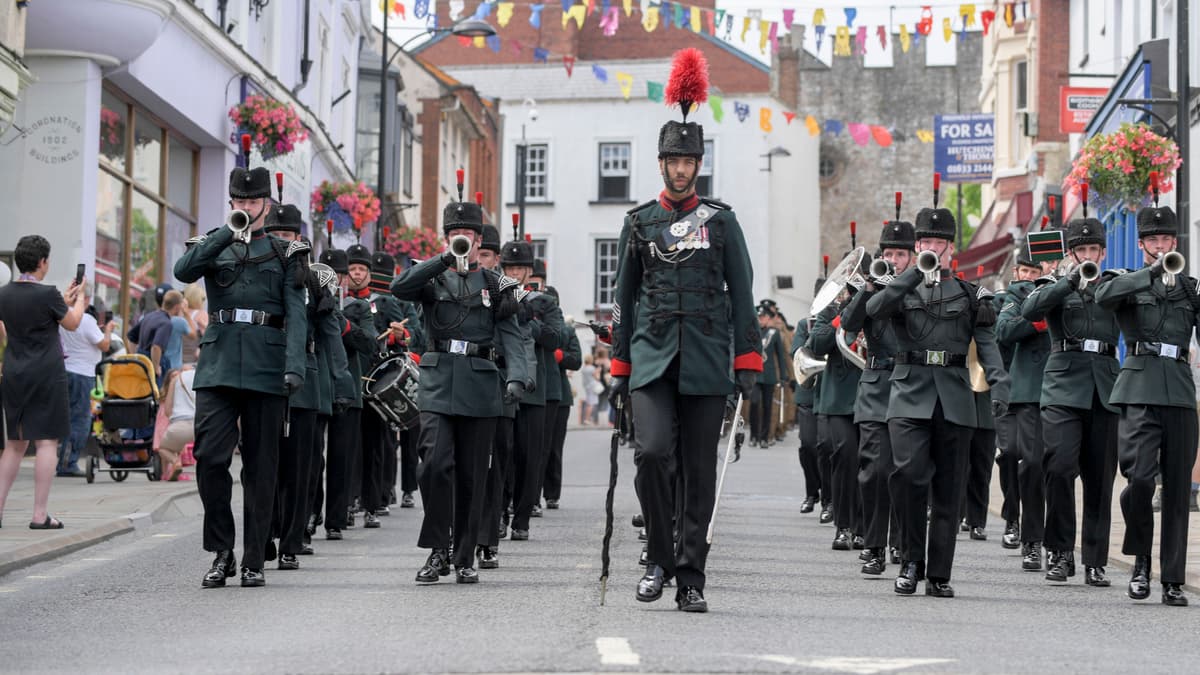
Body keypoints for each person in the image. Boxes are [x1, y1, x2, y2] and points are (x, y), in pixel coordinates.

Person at [613, 48, 763, 613]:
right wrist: (621, 364)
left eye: (690, 161)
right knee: (652, 455)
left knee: (699, 473)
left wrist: (747, 360)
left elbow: (743, 294)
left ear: (698, 164)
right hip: (651, 359)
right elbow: (623, 299)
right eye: (673, 161)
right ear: (660, 163)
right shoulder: (638, 224)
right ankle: (657, 555)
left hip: (704, 361)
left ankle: (691, 575)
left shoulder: (721, 223)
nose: (681, 169)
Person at [865, 177, 1010, 598]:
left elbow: (987, 345)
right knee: (908, 477)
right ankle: (910, 560)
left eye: (939, 242)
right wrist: (910, 277)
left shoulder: (969, 295)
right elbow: (873, 311)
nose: (932, 248)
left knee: (949, 490)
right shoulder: (900, 288)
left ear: (951, 249)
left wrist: (1000, 385)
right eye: (925, 241)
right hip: (909, 395)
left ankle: (939, 573)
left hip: (955, 398)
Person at [174, 164, 308, 589]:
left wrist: (294, 366)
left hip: (268, 365)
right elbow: (183, 272)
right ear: (231, 202)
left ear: (268, 204)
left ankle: (253, 559)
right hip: (218, 365)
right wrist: (225, 233)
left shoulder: (288, 253)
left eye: (253, 202)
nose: (247, 208)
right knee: (210, 457)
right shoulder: (214, 245)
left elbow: (298, 314)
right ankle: (221, 551)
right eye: (240, 202)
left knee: (261, 467)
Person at [391, 177, 529, 584]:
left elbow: (513, 332)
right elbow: (401, 287)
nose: (462, 239)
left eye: (468, 234)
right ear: (447, 237)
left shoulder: (494, 284)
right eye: (455, 233)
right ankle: (438, 550)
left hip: (481, 385)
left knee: (473, 473)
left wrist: (518, 376)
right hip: (436, 381)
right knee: (433, 463)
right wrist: (442, 260)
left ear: (479, 237)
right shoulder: (432, 276)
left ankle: (464, 554)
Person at [1093, 186, 1197, 607]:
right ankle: (1140, 565)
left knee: (1176, 489)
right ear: (1141, 245)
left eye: (1166, 241)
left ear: (1175, 242)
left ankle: (1171, 578)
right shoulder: (1124, 282)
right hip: (1137, 388)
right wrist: (1152, 272)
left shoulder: (1190, 287)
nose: (1160, 246)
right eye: (1153, 241)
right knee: (1138, 481)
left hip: (1180, 392)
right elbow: (1102, 299)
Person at [1021, 197, 1120, 587]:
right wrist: (1067, 280)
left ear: (1102, 251)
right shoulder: (1055, 286)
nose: (1087, 255)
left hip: (1105, 388)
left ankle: (1095, 559)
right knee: (1059, 467)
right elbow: (1031, 309)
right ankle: (1060, 552)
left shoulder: (1114, 284)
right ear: (1071, 253)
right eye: (1080, 250)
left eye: (1093, 249)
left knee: (1100, 478)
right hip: (1062, 386)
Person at [839, 214, 915, 574]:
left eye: (901, 255)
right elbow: (850, 325)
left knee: (904, 469)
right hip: (874, 387)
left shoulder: (920, 287)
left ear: (913, 258)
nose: (895, 261)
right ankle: (873, 544)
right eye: (889, 253)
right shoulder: (870, 287)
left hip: (910, 386)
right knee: (873, 469)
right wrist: (868, 286)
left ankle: (901, 541)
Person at [0, 234, 88, 529]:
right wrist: (81, 301)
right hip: (46, 373)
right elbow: (73, 323)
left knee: (14, 444)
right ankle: (39, 514)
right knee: (46, 441)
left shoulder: (4, 293)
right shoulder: (47, 293)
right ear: (42, 262)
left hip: (14, 371)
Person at [501, 237, 568, 540]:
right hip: (503, 384)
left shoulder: (545, 303)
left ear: (530, 271)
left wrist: (532, 324)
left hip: (534, 388)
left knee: (530, 455)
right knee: (503, 452)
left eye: (520, 268)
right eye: (510, 267)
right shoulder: (496, 294)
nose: (515, 273)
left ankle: (522, 518)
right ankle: (499, 512)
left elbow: (557, 338)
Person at [996, 245, 1057, 573]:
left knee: (1057, 469)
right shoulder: (1017, 294)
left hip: (1066, 389)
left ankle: (1062, 546)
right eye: (1028, 271)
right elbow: (1003, 331)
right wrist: (1037, 324)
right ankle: (1027, 534)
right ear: (1018, 273)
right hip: (1027, 391)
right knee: (1024, 459)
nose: (1033, 275)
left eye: (1039, 270)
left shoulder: (1069, 285)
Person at [58, 281, 115, 477]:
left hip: (63, 371)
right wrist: (108, 329)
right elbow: (105, 345)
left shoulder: (61, 314)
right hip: (83, 374)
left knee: (65, 418)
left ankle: (62, 458)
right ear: (87, 298)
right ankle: (68, 463)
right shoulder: (88, 320)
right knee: (80, 419)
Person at [543, 298, 582, 510]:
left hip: (560, 395)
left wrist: (560, 356)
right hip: (538, 391)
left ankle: (551, 492)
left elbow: (576, 360)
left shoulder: (566, 331)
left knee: (554, 446)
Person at [753, 305, 788, 448]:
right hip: (755, 374)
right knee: (754, 403)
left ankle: (764, 437)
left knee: (767, 407)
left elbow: (781, 356)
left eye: (762, 317)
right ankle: (754, 435)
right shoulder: (754, 331)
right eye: (758, 317)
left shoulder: (774, 333)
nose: (760, 319)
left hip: (769, 375)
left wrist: (783, 376)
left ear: (768, 318)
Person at [156, 366, 196, 482]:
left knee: (163, 448)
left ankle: (175, 461)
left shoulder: (176, 380)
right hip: (199, 425)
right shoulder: (200, 378)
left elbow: (168, 411)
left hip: (179, 425)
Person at [161, 290, 196, 373]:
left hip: (160, 364)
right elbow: (193, 335)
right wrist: (186, 313)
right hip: (174, 368)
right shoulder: (179, 322)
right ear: (177, 306)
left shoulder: (159, 317)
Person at [182, 283, 208, 366]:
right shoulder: (201, 314)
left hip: (180, 358)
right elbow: (208, 337)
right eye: (202, 299)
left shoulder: (180, 313)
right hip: (194, 360)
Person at [580, 354, 598, 425]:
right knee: (591, 404)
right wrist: (598, 372)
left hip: (587, 387)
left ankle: (587, 419)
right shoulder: (592, 368)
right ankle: (587, 419)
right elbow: (597, 378)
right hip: (592, 387)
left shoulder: (584, 368)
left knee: (588, 403)